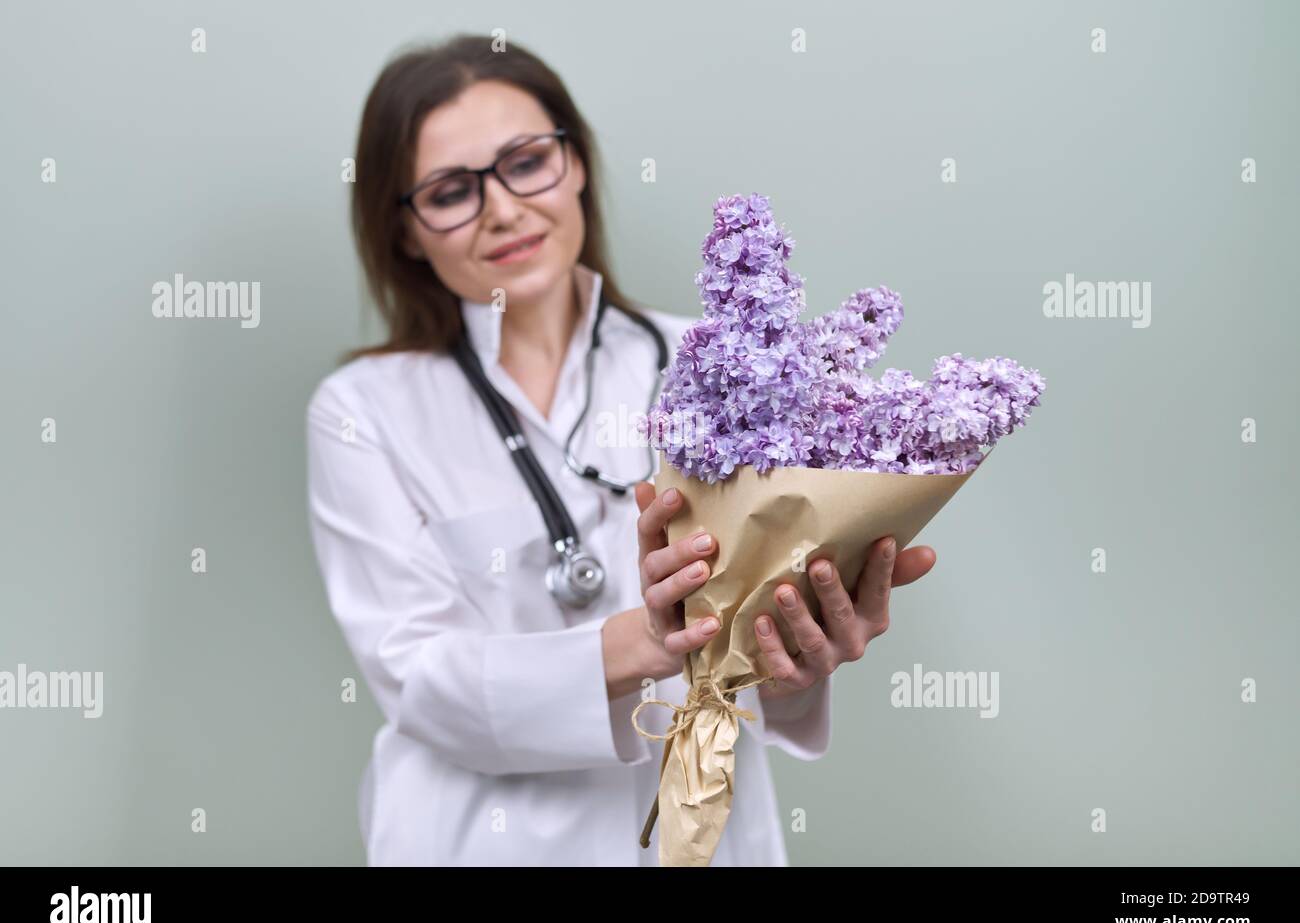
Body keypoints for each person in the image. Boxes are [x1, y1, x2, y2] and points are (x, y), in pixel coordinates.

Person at [305, 33, 937, 866]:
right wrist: (641, 642)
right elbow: (418, 681)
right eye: (451, 190)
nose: (502, 208)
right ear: (408, 232)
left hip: (703, 830)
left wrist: (799, 656)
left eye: (526, 161)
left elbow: (768, 661)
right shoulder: (363, 410)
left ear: (577, 168)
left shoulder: (712, 367)